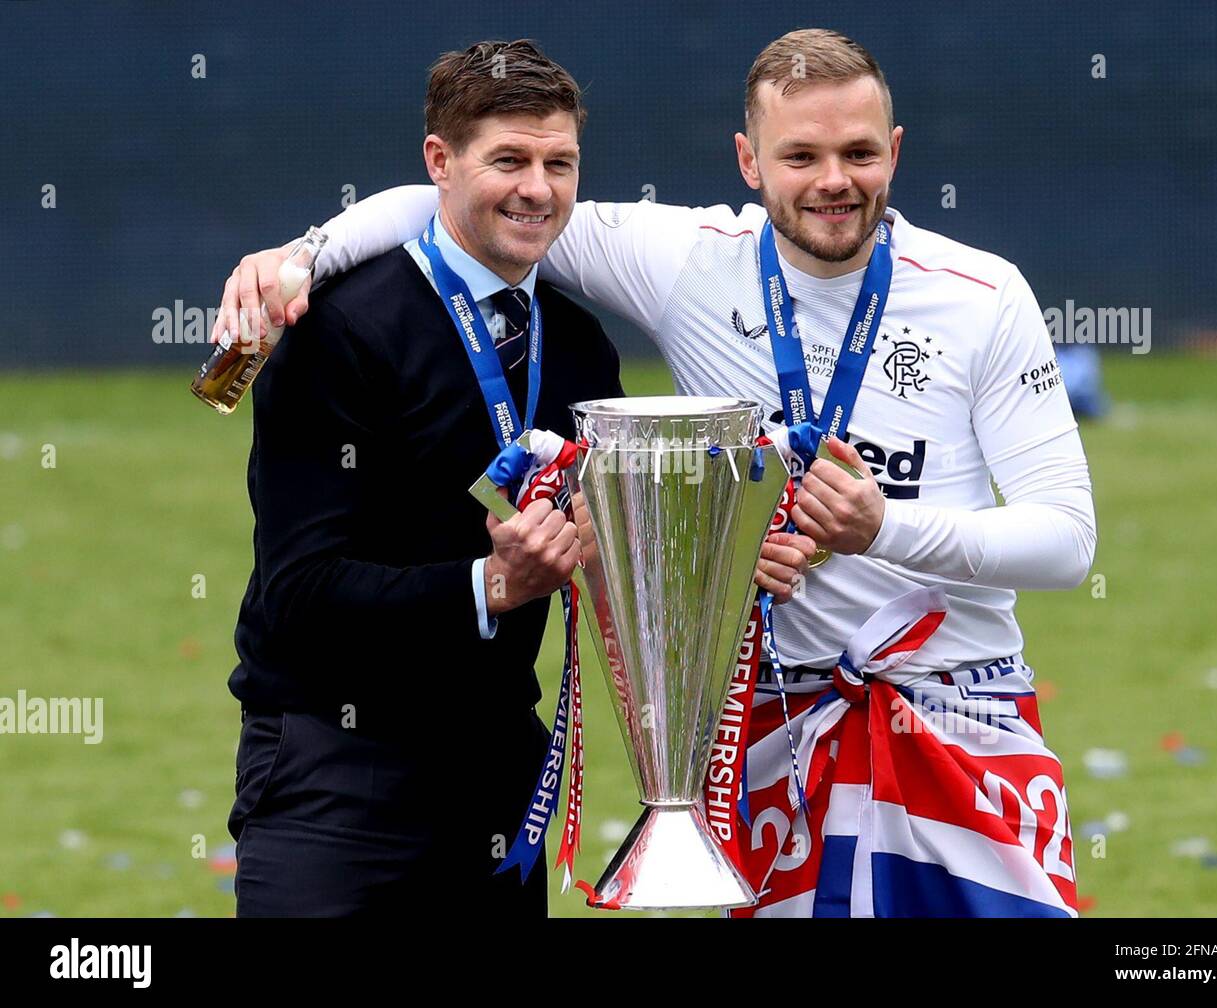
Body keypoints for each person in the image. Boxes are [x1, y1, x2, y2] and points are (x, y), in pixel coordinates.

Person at [216, 29, 1096, 917]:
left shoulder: (985, 293)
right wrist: (305, 255)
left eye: (859, 152)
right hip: (777, 731)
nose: (835, 180)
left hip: (954, 714)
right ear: (749, 160)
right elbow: (458, 204)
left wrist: (883, 530)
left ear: (894, 153)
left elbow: (1066, 544)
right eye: (802, 154)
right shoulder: (685, 260)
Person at [225, 39, 627, 918]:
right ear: (440, 163)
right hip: (337, 776)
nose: (538, 188)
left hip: (497, 776)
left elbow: (605, 558)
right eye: (509, 160)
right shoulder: (338, 330)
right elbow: (298, 594)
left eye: (560, 163)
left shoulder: (582, 347)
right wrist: (493, 584)